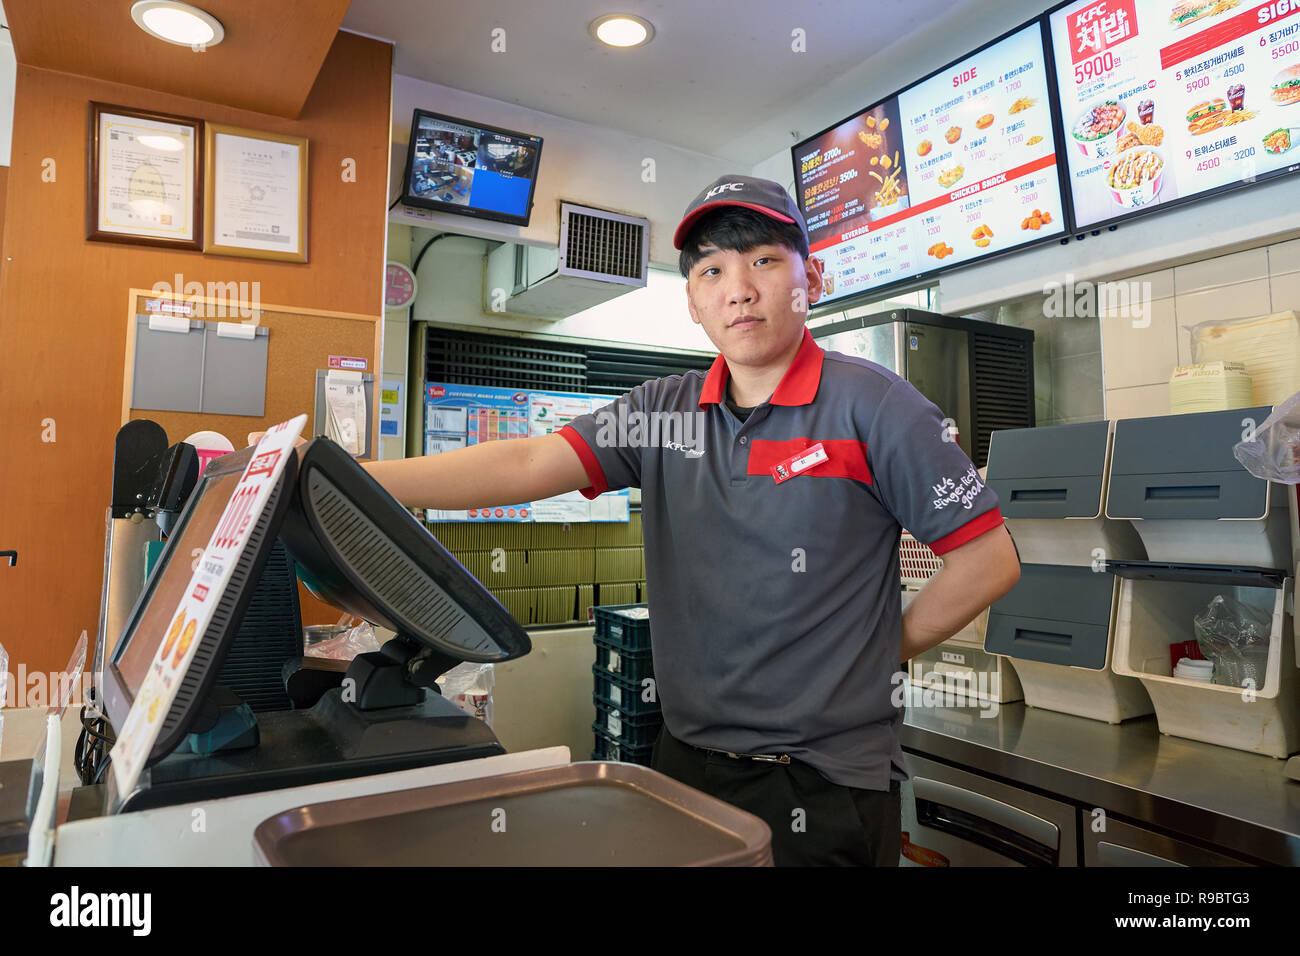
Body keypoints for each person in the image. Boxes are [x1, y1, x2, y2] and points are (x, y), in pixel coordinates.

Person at [266, 174, 1021, 866]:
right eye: (712, 271)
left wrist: (878, 647)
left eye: (763, 260)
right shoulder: (663, 412)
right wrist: (337, 476)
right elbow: (528, 465)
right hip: (686, 759)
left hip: (821, 784)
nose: (740, 290)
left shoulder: (876, 407)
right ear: (693, 300)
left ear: (809, 279)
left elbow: (988, 561)